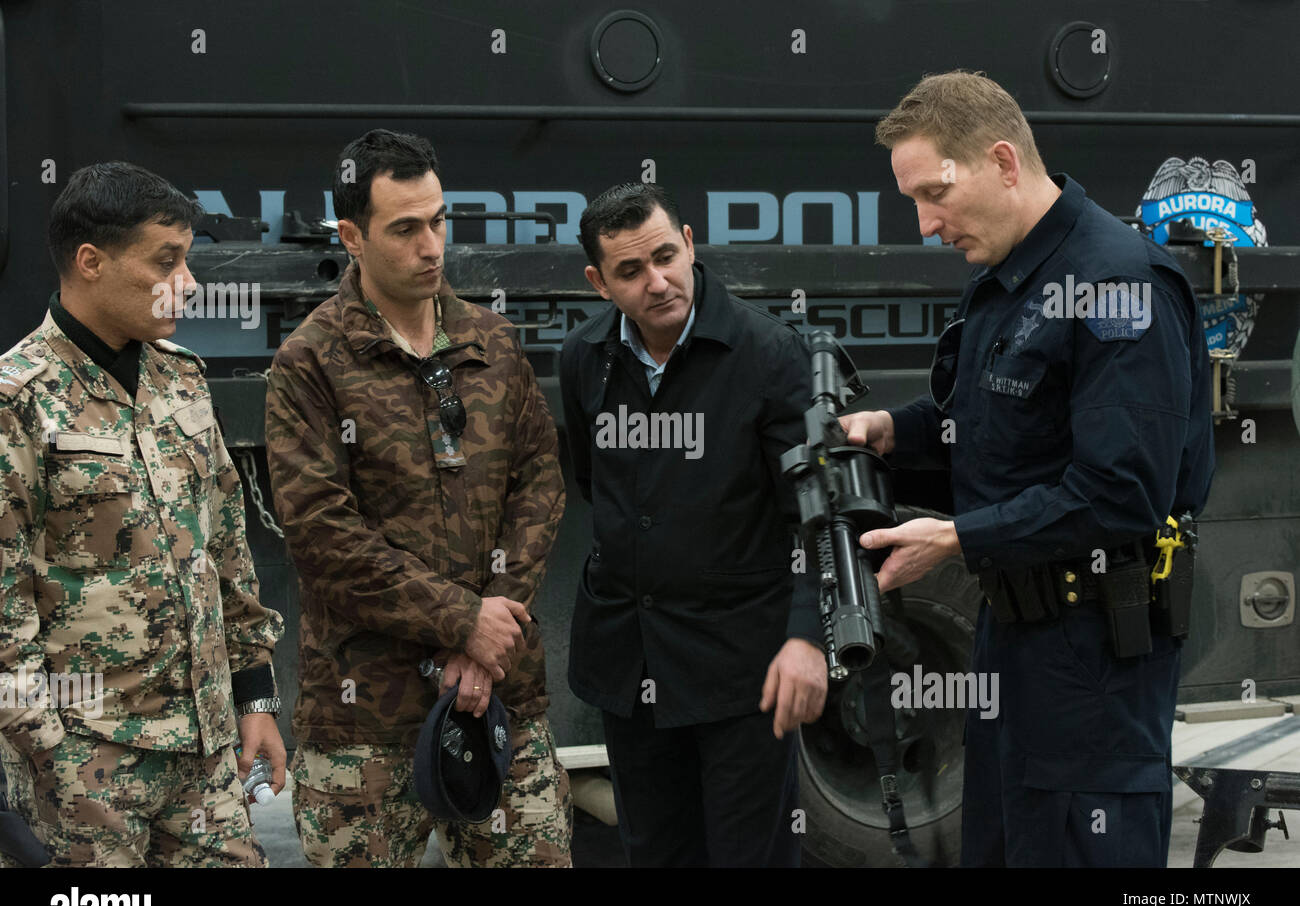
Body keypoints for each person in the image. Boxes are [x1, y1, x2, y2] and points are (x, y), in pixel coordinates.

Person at [841, 71, 1215, 866]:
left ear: (1004, 162)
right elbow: (989, 436)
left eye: (935, 193)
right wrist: (889, 435)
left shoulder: (1118, 285)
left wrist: (956, 540)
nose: (924, 223)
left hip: (1094, 663)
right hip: (1012, 637)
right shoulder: (1006, 279)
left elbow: (1122, 495)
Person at [264, 129, 571, 868]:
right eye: (405, 228)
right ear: (352, 237)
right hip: (363, 721)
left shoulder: (492, 343)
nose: (431, 245)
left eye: (439, 220)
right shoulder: (310, 363)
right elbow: (322, 533)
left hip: (498, 703)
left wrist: (491, 634)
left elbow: (539, 482)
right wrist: (464, 619)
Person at [0, 161, 285, 867]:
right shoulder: (19, 399)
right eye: (166, 261)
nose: (187, 283)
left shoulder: (181, 375)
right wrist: (50, 750)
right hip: (86, 767)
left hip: (206, 756)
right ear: (91, 262)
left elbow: (226, 546)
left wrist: (255, 697)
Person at [560, 183, 826, 867]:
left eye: (666, 256)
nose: (657, 282)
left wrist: (805, 638)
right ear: (598, 282)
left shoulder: (769, 356)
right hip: (632, 669)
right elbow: (597, 487)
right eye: (630, 271)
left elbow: (818, 516)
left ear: (689, 242)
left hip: (743, 672)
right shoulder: (585, 359)